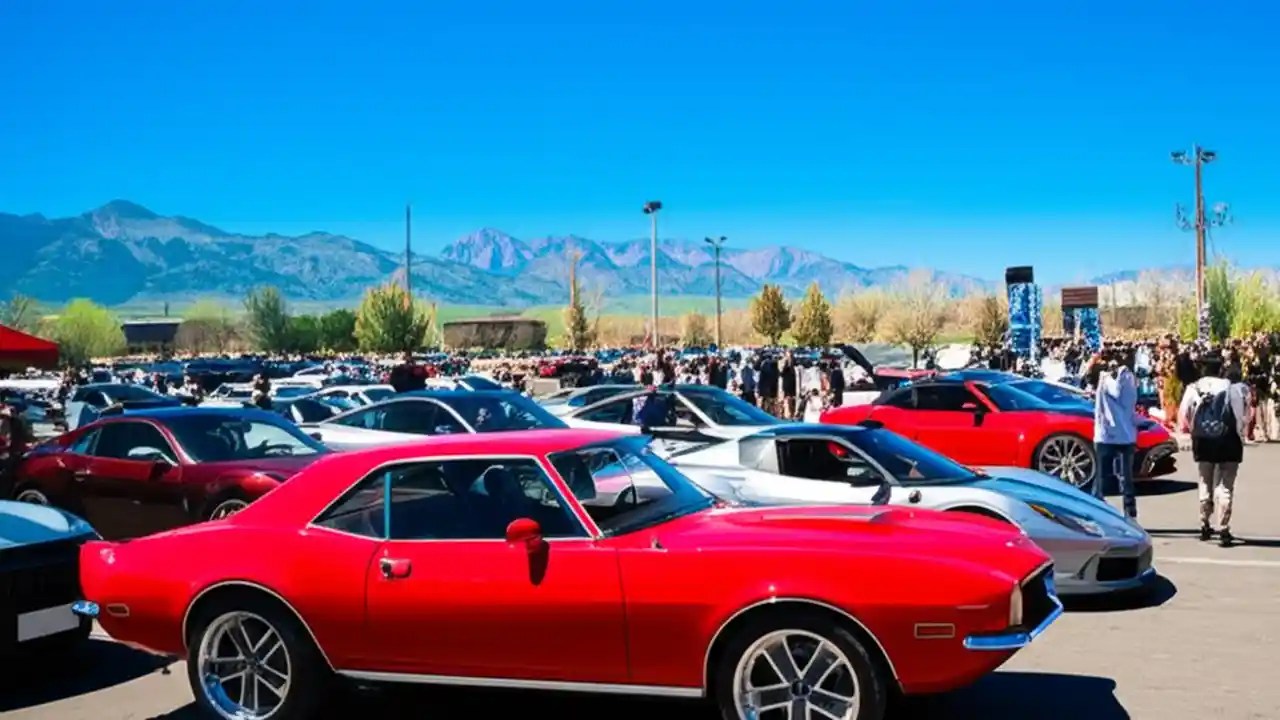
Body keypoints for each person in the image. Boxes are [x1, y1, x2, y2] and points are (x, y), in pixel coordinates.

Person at [1177, 353, 1248, 547]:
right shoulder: (1232, 388)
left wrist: (1192, 431)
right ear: (1220, 369)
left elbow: (1184, 414)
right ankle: (1223, 527)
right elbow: (1241, 416)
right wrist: (1241, 435)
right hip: (1229, 440)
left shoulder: (1194, 388)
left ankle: (1204, 523)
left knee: (1204, 480)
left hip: (1203, 440)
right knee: (1225, 485)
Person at [1094, 358, 1139, 518]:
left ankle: (1097, 511)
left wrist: (1104, 375)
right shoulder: (1130, 380)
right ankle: (1130, 511)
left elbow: (1114, 391)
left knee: (1100, 478)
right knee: (1127, 478)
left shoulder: (1105, 380)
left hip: (1105, 435)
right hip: (1126, 435)